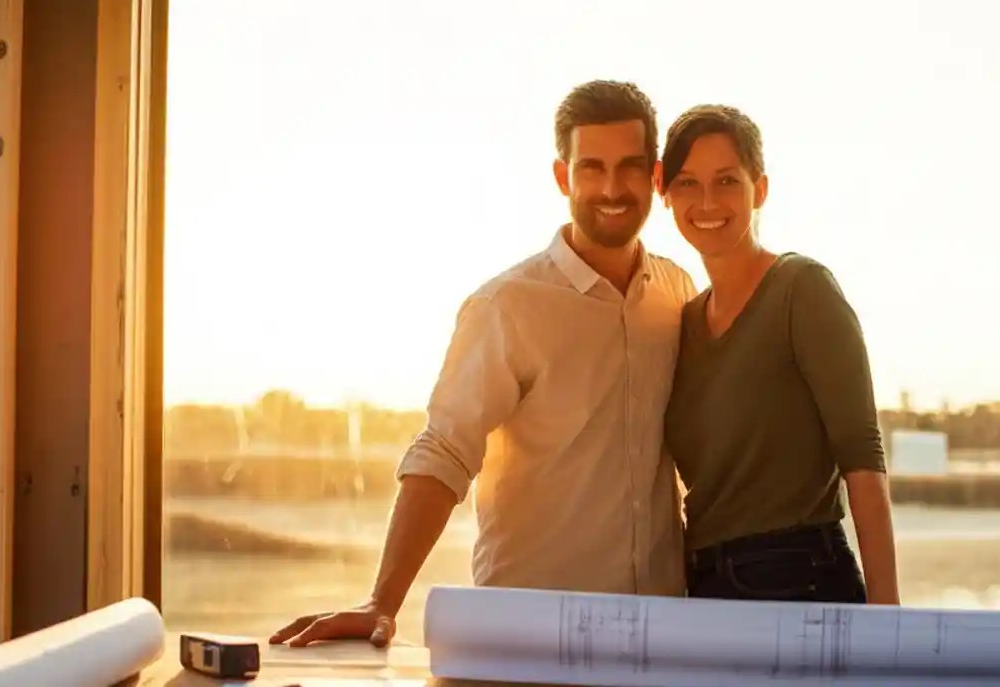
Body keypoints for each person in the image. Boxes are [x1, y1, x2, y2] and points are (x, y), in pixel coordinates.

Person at [269, 80, 698, 649]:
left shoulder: (678, 292)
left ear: (656, 176)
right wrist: (382, 601)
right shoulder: (508, 306)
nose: (612, 188)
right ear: (563, 177)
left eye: (629, 167)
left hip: (656, 640)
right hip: (531, 643)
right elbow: (445, 449)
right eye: (591, 168)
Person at [656, 104, 900, 605]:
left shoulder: (800, 289)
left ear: (759, 189)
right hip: (705, 584)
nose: (706, 200)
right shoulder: (683, 322)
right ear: (666, 193)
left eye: (726, 181)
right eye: (687, 182)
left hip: (800, 577)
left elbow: (862, 453)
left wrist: (888, 617)